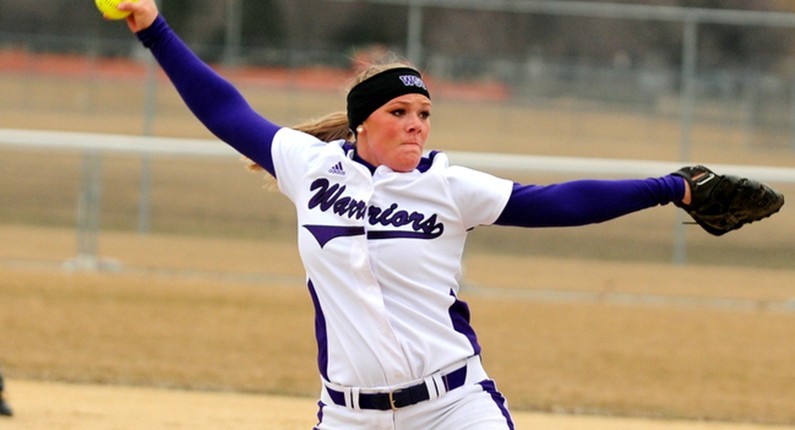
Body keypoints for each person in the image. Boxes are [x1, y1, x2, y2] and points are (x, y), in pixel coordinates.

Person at [113, 2, 705, 429]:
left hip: (454, 407)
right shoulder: (310, 168)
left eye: (424, 112)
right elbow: (223, 108)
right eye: (399, 111)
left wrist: (669, 188)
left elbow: (561, 202)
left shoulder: (449, 187)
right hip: (350, 415)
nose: (416, 124)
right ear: (362, 122)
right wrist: (155, 29)